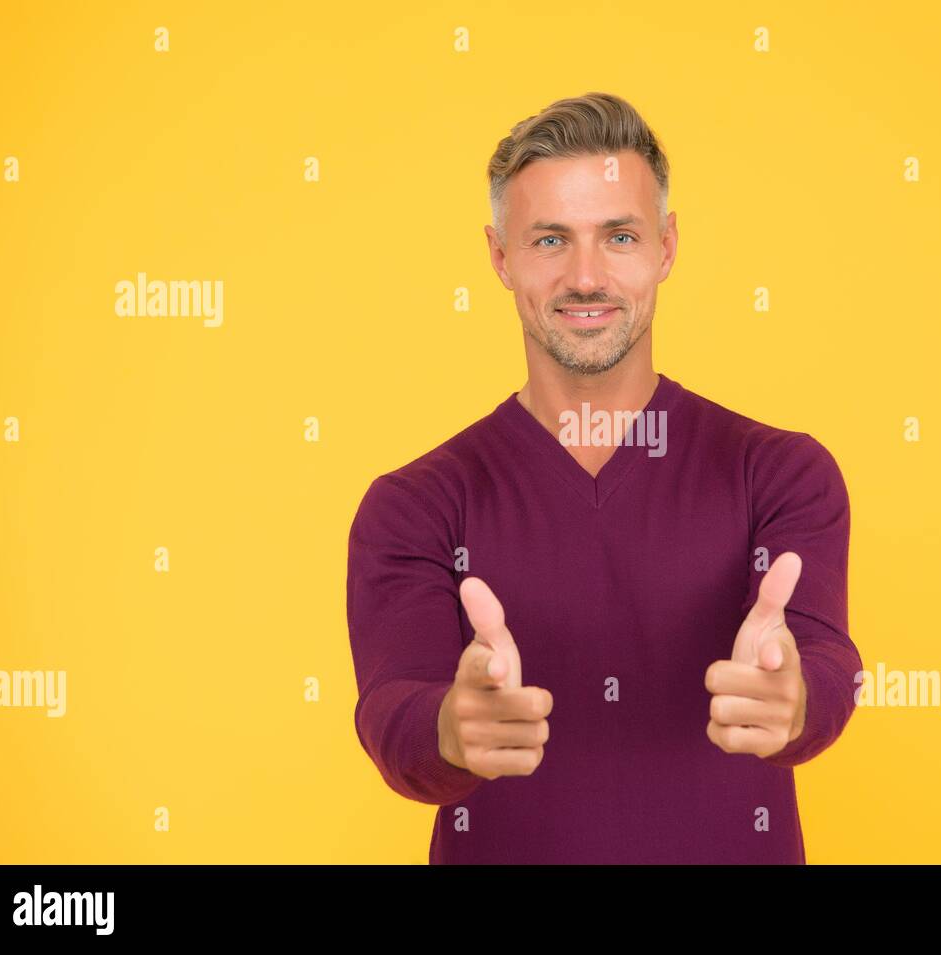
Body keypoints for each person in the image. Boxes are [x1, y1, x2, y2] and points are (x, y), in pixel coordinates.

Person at [346, 91, 861, 863]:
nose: (586, 276)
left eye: (619, 236)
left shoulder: (782, 473)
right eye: (550, 240)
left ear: (666, 246)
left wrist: (794, 700)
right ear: (498, 256)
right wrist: (454, 725)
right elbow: (395, 711)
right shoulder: (415, 505)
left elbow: (824, 661)